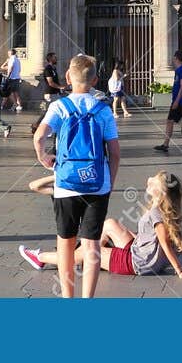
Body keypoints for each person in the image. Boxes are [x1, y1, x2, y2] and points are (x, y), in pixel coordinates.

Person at [33, 54, 120, 298]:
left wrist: (44, 158)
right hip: (97, 185)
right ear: (94, 80)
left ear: (69, 77)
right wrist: (109, 183)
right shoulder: (103, 111)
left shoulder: (59, 107)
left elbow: (39, 137)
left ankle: (68, 298)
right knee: (92, 246)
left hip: (66, 184)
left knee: (66, 243)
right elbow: (114, 153)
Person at [21, 171, 182, 281]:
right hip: (138, 252)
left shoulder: (156, 214)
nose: (148, 180)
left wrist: (179, 271)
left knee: (86, 253)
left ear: (160, 192)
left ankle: (41, 258)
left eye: (153, 181)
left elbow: (165, 243)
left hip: (136, 263)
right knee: (110, 224)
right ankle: (87, 255)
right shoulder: (157, 208)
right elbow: (153, 240)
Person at [3, 48, 24, 113]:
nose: (8, 54)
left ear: (10, 53)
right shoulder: (17, 60)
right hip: (17, 78)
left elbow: (10, 68)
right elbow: (19, 69)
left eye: (8, 53)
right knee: (16, 93)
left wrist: (8, 76)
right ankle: (19, 105)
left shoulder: (11, 59)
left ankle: (15, 104)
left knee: (10, 92)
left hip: (12, 78)